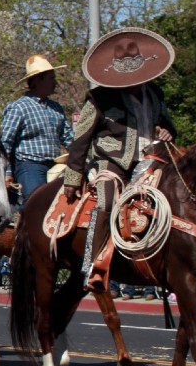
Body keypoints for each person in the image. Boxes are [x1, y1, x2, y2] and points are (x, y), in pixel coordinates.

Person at [62, 28, 177, 294]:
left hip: (153, 160)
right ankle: (94, 267)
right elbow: (80, 139)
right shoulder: (99, 98)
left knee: (173, 201)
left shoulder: (155, 93)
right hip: (112, 163)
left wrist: (167, 130)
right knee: (106, 201)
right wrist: (73, 177)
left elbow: (168, 123)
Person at [1, 55, 73, 209]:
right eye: (51, 78)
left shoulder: (56, 108)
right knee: (36, 203)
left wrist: (81, 155)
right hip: (29, 166)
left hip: (55, 165)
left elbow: (68, 137)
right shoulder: (18, 108)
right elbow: (5, 143)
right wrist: (6, 173)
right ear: (38, 81)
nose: (55, 82)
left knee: (64, 203)